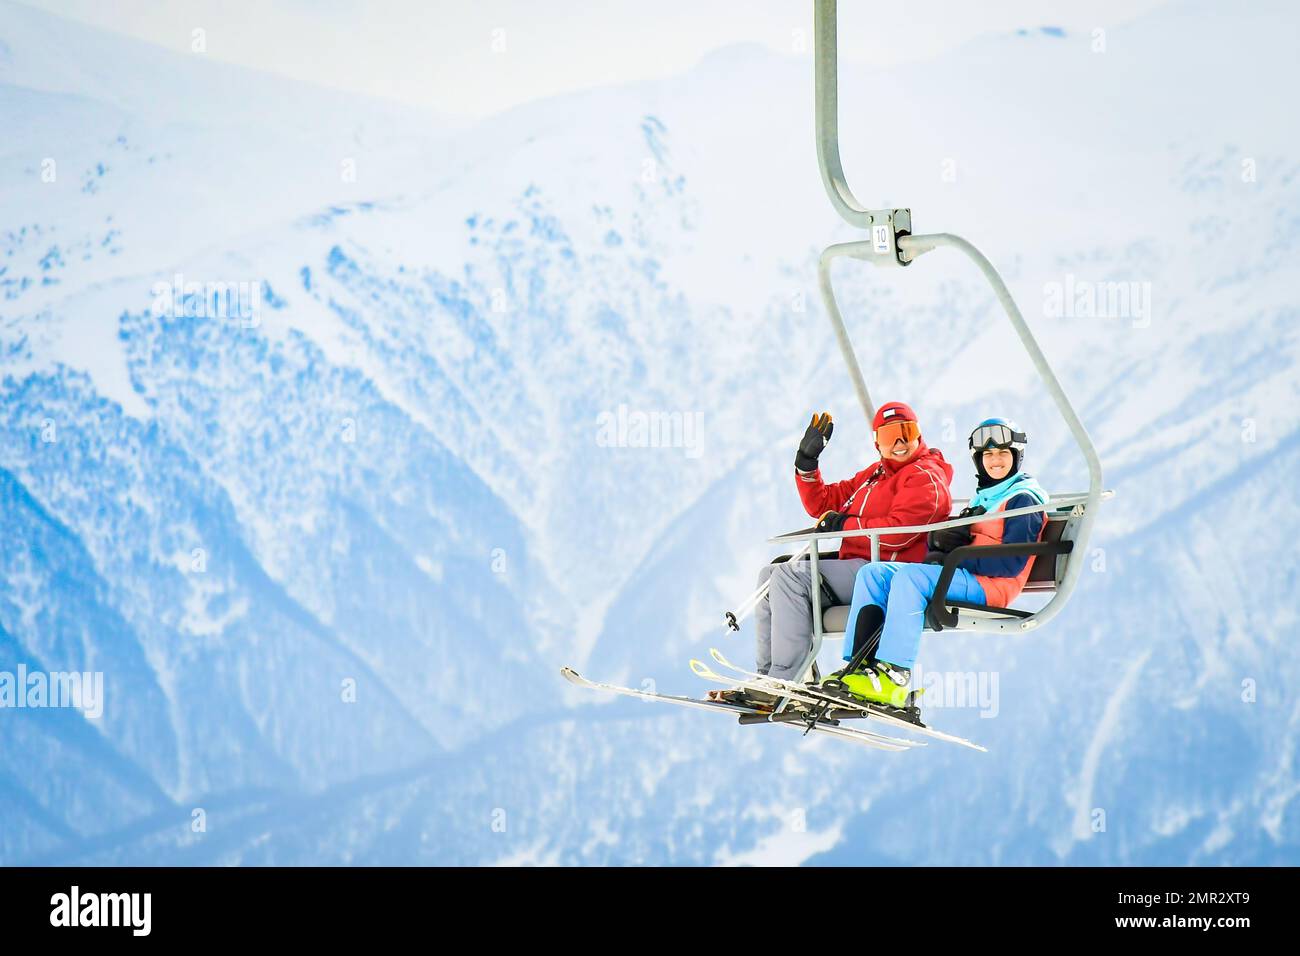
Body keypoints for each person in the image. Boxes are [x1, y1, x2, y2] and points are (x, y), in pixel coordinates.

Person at [827, 417, 1049, 707]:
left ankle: (894, 674)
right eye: (988, 455)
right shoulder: (989, 495)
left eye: (1003, 453)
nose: (995, 461)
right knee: (874, 573)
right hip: (966, 574)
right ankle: (859, 667)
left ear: (1016, 456)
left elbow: (1011, 563)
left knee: (911, 579)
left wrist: (956, 556)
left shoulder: (1024, 499)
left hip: (992, 587)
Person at [745, 401, 953, 687]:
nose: (900, 442)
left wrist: (845, 525)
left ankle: (786, 679)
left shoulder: (925, 477)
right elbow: (825, 503)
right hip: (855, 567)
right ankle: (767, 676)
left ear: (919, 434)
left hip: (885, 572)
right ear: (877, 444)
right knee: (769, 577)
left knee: (788, 578)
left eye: (907, 431)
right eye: (889, 437)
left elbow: (900, 532)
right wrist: (806, 463)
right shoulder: (875, 474)